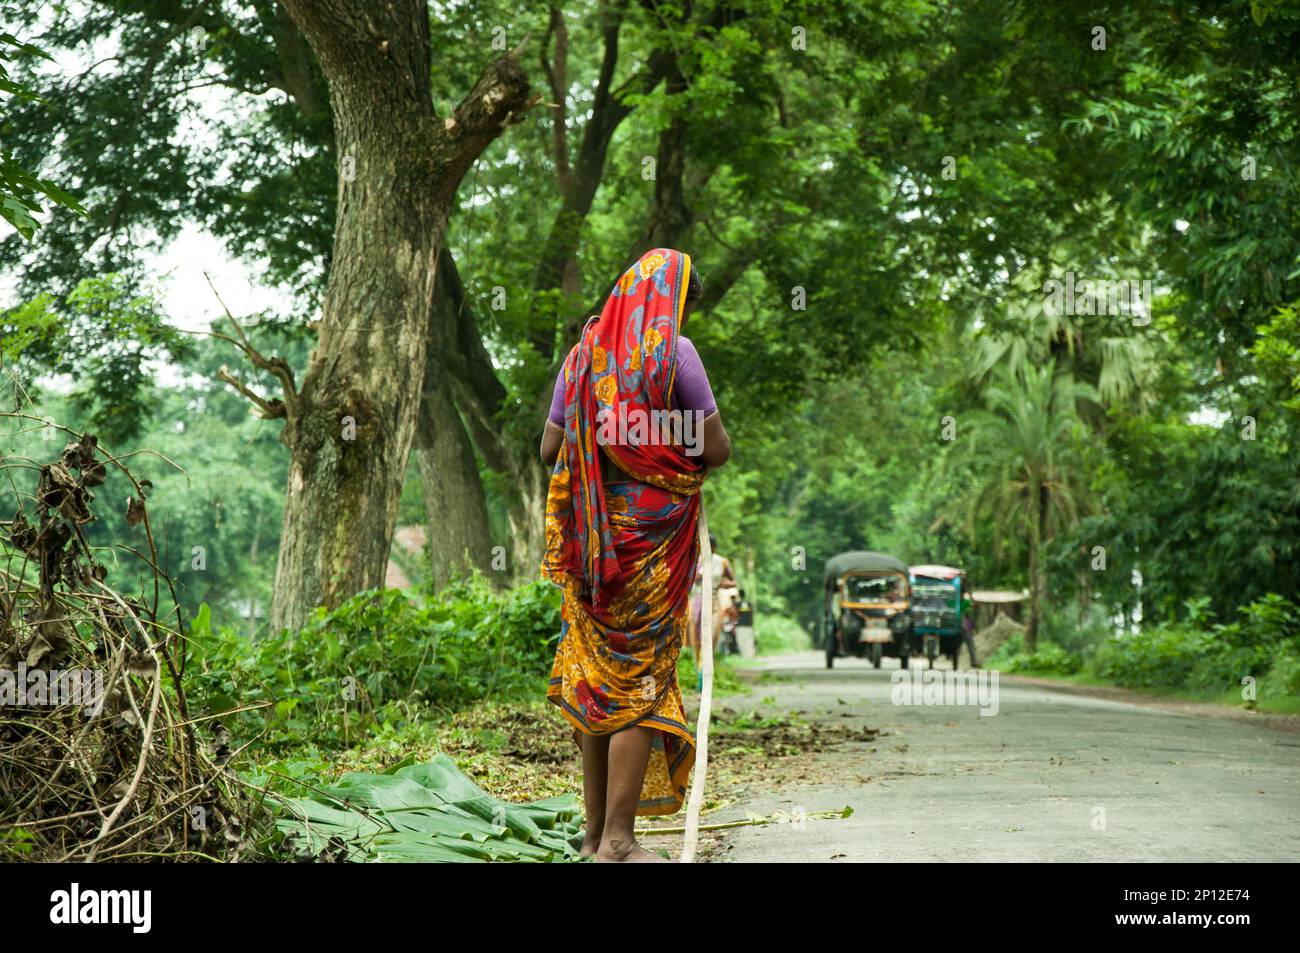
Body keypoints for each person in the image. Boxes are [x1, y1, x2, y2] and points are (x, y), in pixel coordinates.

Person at [539, 248, 731, 863]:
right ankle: (619, 841)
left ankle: (596, 835)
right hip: (650, 551)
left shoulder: (582, 355)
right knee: (640, 683)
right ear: (674, 302)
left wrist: (610, 437)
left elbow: (552, 449)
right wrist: (660, 438)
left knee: (597, 681)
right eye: (682, 310)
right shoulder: (673, 352)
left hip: (591, 550)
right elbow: (716, 447)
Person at [690, 532, 736, 662]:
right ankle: (698, 666)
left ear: (714, 546)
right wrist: (695, 576)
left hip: (713, 601)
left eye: (709, 545)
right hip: (696, 601)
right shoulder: (694, 560)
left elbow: (733, 581)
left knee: (712, 634)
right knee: (696, 637)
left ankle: (709, 664)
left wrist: (720, 584)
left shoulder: (722, 562)